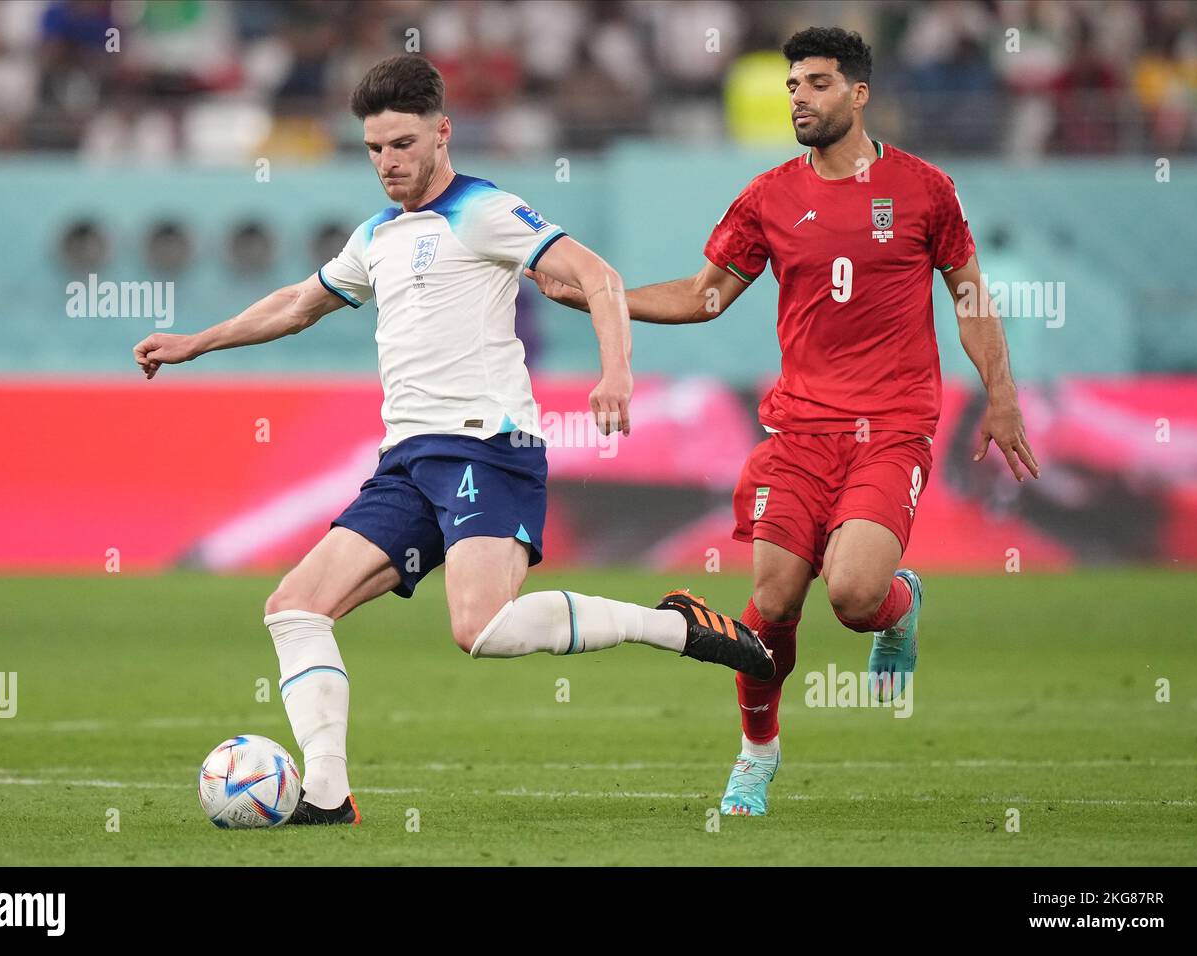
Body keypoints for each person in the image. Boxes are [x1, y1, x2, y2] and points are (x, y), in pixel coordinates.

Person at [132, 54, 773, 826]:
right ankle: (327, 795)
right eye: (374, 149)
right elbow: (297, 304)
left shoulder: (486, 210)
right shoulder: (376, 237)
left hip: (485, 448)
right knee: (294, 607)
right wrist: (196, 342)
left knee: (482, 629)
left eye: (402, 144)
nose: (387, 162)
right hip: (405, 463)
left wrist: (616, 372)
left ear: (443, 133)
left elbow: (598, 275)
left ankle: (674, 625)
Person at [530, 28, 1039, 816]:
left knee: (855, 596)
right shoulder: (768, 196)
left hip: (891, 427)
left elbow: (969, 295)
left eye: (818, 83)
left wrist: (1000, 393)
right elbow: (704, 296)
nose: (800, 97)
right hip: (799, 433)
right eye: (793, 84)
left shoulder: (925, 190)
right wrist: (606, 299)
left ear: (859, 94)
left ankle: (899, 608)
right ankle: (757, 754)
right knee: (770, 606)